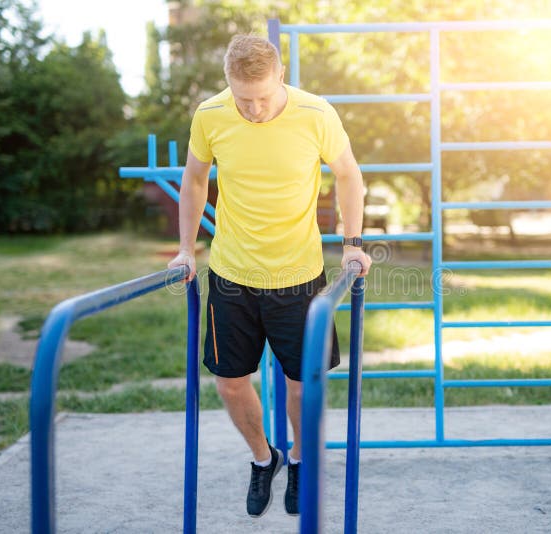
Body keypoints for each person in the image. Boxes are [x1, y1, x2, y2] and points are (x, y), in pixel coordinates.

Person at [167, 34, 371, 518]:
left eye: (262, 97)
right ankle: (265, 458)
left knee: (303, 385)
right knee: (231, 382)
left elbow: (348, 174)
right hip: (232, 273)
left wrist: (353, 244)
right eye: (243, 99)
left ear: (280, 77)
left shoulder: (316, 115)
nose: (254, 109)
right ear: (228, 85)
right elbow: (195, 179)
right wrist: (184, 250)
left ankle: (299, 459)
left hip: (298, 276)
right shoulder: (210, 115)